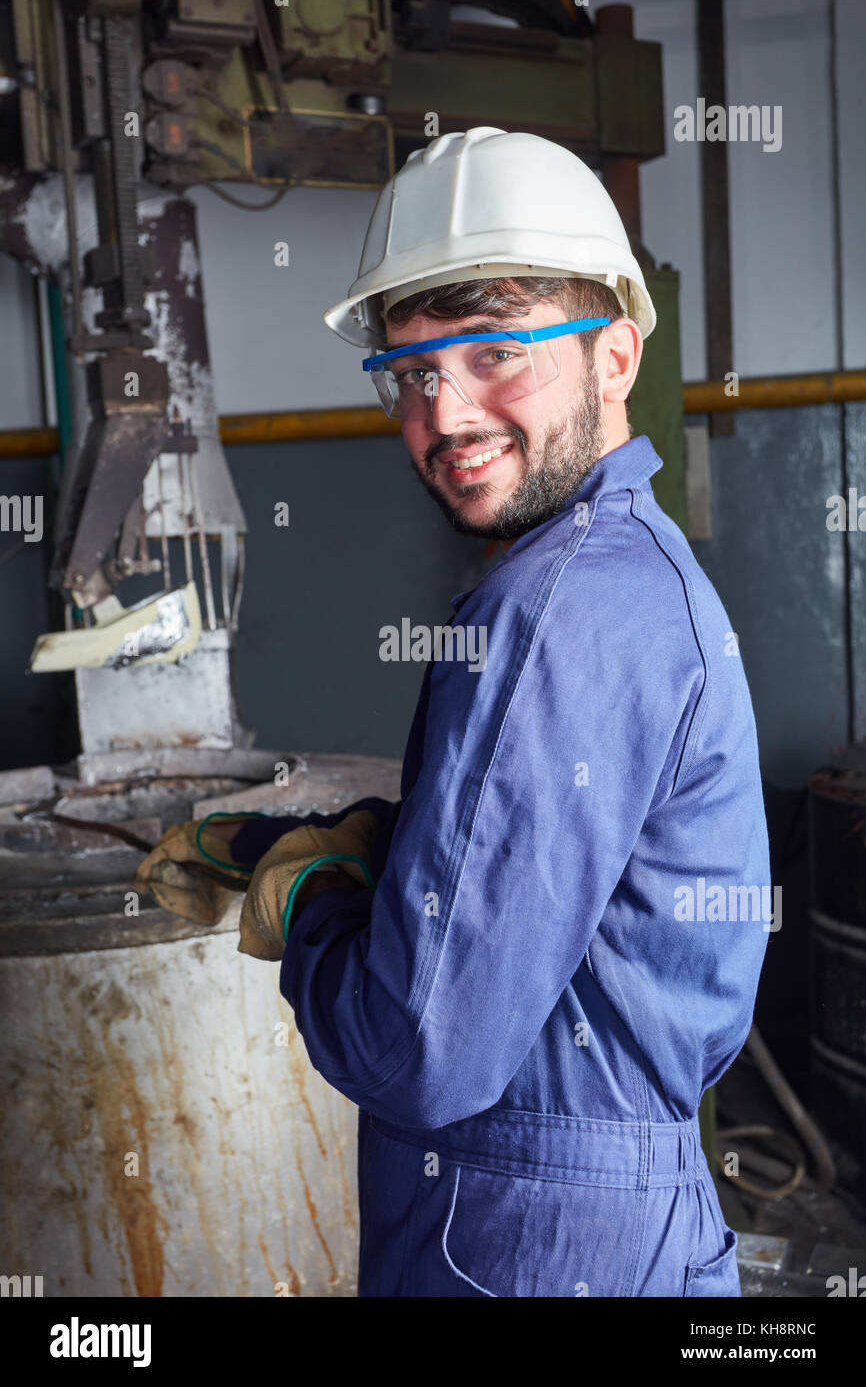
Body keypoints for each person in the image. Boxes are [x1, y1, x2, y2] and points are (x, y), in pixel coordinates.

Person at [170, 128, 772, 1297]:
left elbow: (417, 1050)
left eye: (494, 353)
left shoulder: (548, 613)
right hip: (613, 1207)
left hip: (524, 1240)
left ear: (614, 355)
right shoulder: (627, 568)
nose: (441, 414)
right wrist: (385, 851)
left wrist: (309, 913)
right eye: (410, 372)